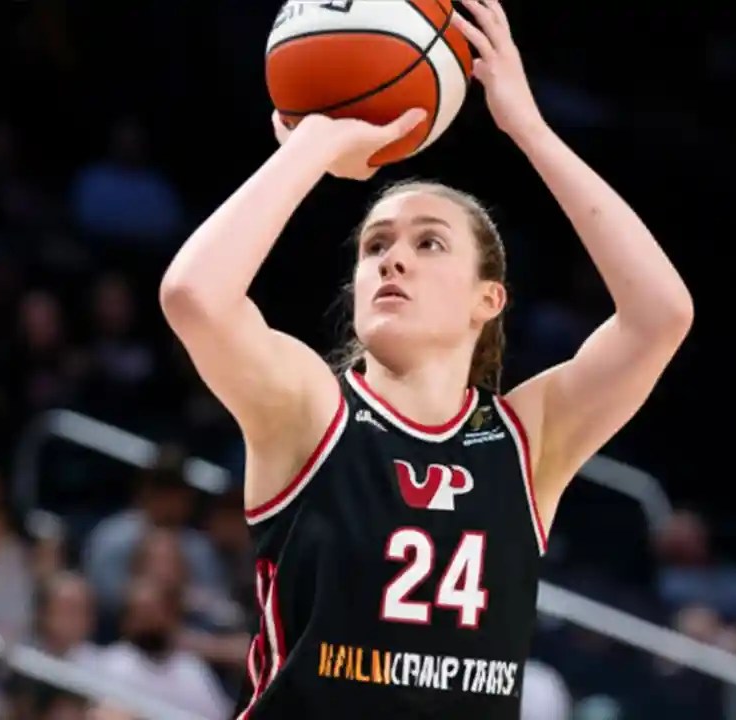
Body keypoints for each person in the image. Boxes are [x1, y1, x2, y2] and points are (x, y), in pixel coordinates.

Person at [159, 2, 692, 717]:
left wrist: (529, 131)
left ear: (488, 299)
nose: (393, 260)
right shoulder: (310, 411)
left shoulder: (527, 444)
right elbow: (194, 295)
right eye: (375, 246)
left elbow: (661, 316)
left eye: (428, 243)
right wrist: (311, 147)